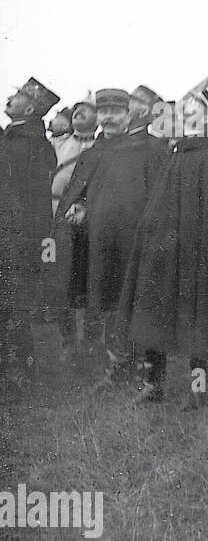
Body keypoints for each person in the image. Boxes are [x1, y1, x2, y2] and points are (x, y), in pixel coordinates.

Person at [117, 92, 208, 406]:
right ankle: (153, 385)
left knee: (198, 325)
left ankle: (197, 391)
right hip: (162, 254)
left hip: (196, 257)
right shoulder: (172, 154)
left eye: (197, 114)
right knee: (154, 317)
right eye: (185, 113)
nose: (189, 118)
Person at [62, 87, 168, 386]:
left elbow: (161, 199)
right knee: (109, 306)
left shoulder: (153, 149)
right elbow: (82, 193)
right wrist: (80, 207)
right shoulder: (95, 152)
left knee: (142, 303)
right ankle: (117, 368)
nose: (108, 118)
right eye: (103, 112)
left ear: (130, 114)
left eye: (116, 112)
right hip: (102, 243)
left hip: (137, 243)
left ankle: (149, 374)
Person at [0, 77, 58, 389]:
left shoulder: (30, 143)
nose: (10, 99)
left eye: (18, 96)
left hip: (15, 237)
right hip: (11, 233)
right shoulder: (15, 137)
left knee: (12, 309)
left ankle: (20, 375)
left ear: (32, 108)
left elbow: (25, 199)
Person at [50, 97, 100, 355]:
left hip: (91, 220)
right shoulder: (58, 143)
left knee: (92, 278)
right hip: (58, 216)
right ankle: (67, 339)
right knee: (61, 278)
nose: (80, 114)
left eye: (87, 111)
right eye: (77, 111)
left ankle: (91, 339)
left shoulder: (104, 147)